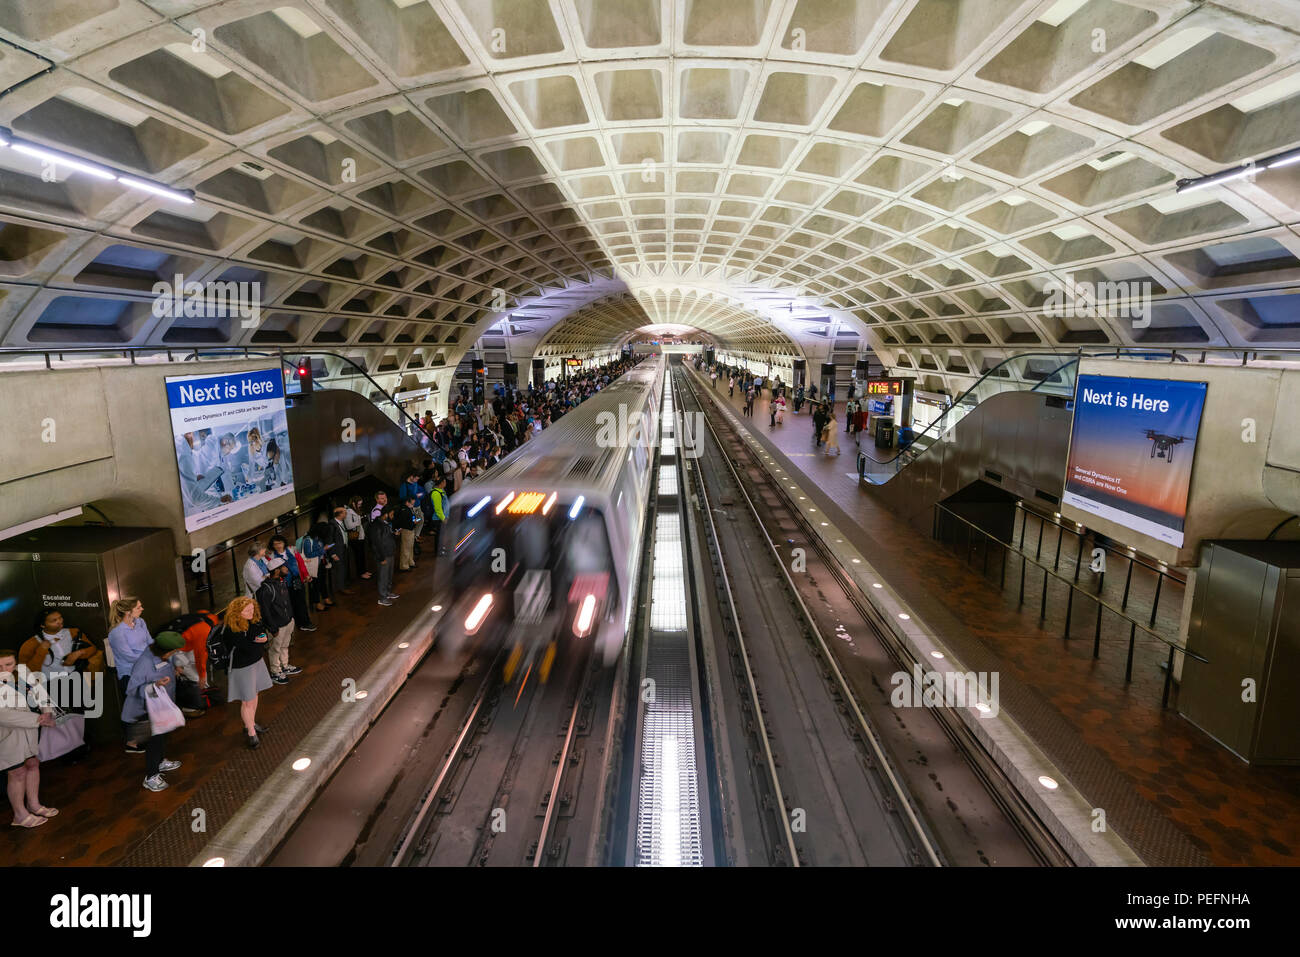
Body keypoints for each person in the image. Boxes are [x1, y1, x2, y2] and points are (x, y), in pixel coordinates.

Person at [19, 609, 103, 761]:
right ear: (42, 625)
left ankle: (81, 746)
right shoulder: (31, 643)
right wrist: (41, 651)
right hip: (52, 684)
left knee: (79, 713)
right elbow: (27, 670)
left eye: (60, 618)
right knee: (63, 719)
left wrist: (77, 654)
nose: (59, 622)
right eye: (54, 620)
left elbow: (92, 648)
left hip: (74, 678)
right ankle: (67, 752)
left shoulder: (72, 632)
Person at [121, 631, 186, 792]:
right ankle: (151, 777)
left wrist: (176, 666)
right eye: (174, 651)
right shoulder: (144, 663)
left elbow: (170, 661)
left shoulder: (164, 655)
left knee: (164, 733)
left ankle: (160, 761)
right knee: (154, 742)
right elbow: (132, 689)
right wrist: (155, 686)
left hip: (163, 704)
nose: (176, 653)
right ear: (166, 650)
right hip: (146, 709)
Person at [1, 650, 58, 827]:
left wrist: (47, 712)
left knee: (32, 764)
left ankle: (33, 804)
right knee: (16, 772)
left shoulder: (24, 674)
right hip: (7, 734)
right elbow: (2, 715)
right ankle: (19, 815)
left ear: (16, 663)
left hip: (30, 730)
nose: (4, 669)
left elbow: (41, 694)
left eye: (8, 664)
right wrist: (37, 720)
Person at [215, 598, 272, 750]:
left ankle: (251, 723)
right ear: (236, 612)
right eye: (247, 610)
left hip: (256, 663)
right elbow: (245, 646)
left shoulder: (253, 620)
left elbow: (261, 634)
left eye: (252, 609)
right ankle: (251, 733)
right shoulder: (230, 629)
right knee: (247, 700)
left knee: (255, 695)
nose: (251, 612)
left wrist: (259, 639)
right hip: (242, 668)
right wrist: (258, 640)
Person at [106, 597, 152, 754]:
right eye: (138, 607)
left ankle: (146, 738)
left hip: (146, 671)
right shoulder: (116, 633)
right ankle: (132, 743)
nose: (142, 609)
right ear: (128, 612)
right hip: (130, 676)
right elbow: (128, 656)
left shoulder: (141, 623)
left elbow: (149, 642)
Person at [255, 556, 300, 685]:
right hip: (277, 625)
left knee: (284, 646)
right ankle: (275, 672)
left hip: (287, 621)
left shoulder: (281, 582)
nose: (287, 569)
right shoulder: (266, 589)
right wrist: (272, 628)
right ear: (276, 570)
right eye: (284, 568)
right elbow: (265, 611)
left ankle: (284, 666)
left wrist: (291, 618)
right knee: (275, 649)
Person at [267, 535, 315, 632]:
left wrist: (306, 575)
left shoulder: (292, 550)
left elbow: (301, 563)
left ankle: (305, 623)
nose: (278, 546)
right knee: (290, 605)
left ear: (284, 543)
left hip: (297, 580)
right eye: (275, 544)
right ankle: (293, 626)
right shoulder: (271, 557)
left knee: (301, 602)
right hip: (283, 584)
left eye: (280, 543)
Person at [369, 504, 399, 606]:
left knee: (389, 575)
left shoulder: (386, 523)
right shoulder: (376, 525)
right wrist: (381, 557)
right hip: (384, 555)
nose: (393, 516)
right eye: (392, 514)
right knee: (383, 576)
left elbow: (386, 538)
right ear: (386, 514)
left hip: (390, 553)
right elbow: (376, 543)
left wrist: (394, 535)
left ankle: (388, 592)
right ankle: (382, 598)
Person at [328, 507, 352, 596]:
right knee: (340, 570)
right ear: (339, 514)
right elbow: (329, 541)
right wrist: (333, 554)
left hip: (343, 549)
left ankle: (343, 585)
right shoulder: (332, 525)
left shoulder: (341, 522)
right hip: (337, 551)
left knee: (344, 568)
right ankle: (341, 588)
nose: (346, 514)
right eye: (345, 512)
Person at [345, 496, 370, 580]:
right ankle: (361, 573)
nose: (360, 505)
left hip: (360, 536)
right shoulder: (348, 512)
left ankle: (364, 571)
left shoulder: (355, 511)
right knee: (358, 556)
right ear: (353, 503)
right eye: (359, 504)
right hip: (354, 538)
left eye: (361, 504)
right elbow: (348, 526)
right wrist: (359, 521)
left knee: (362, 555)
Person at [395, 494, 418, 573]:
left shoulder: (409, 509)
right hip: (407, 531)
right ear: (407, 502)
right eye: (412, 503)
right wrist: (413, 523)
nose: (413, 504)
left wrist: (414, 522)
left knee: (410, 547)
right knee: (405, 548)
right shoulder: (404, 510)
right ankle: (404, 565)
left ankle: (410, 562)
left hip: (410, 530)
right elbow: (404, 522)